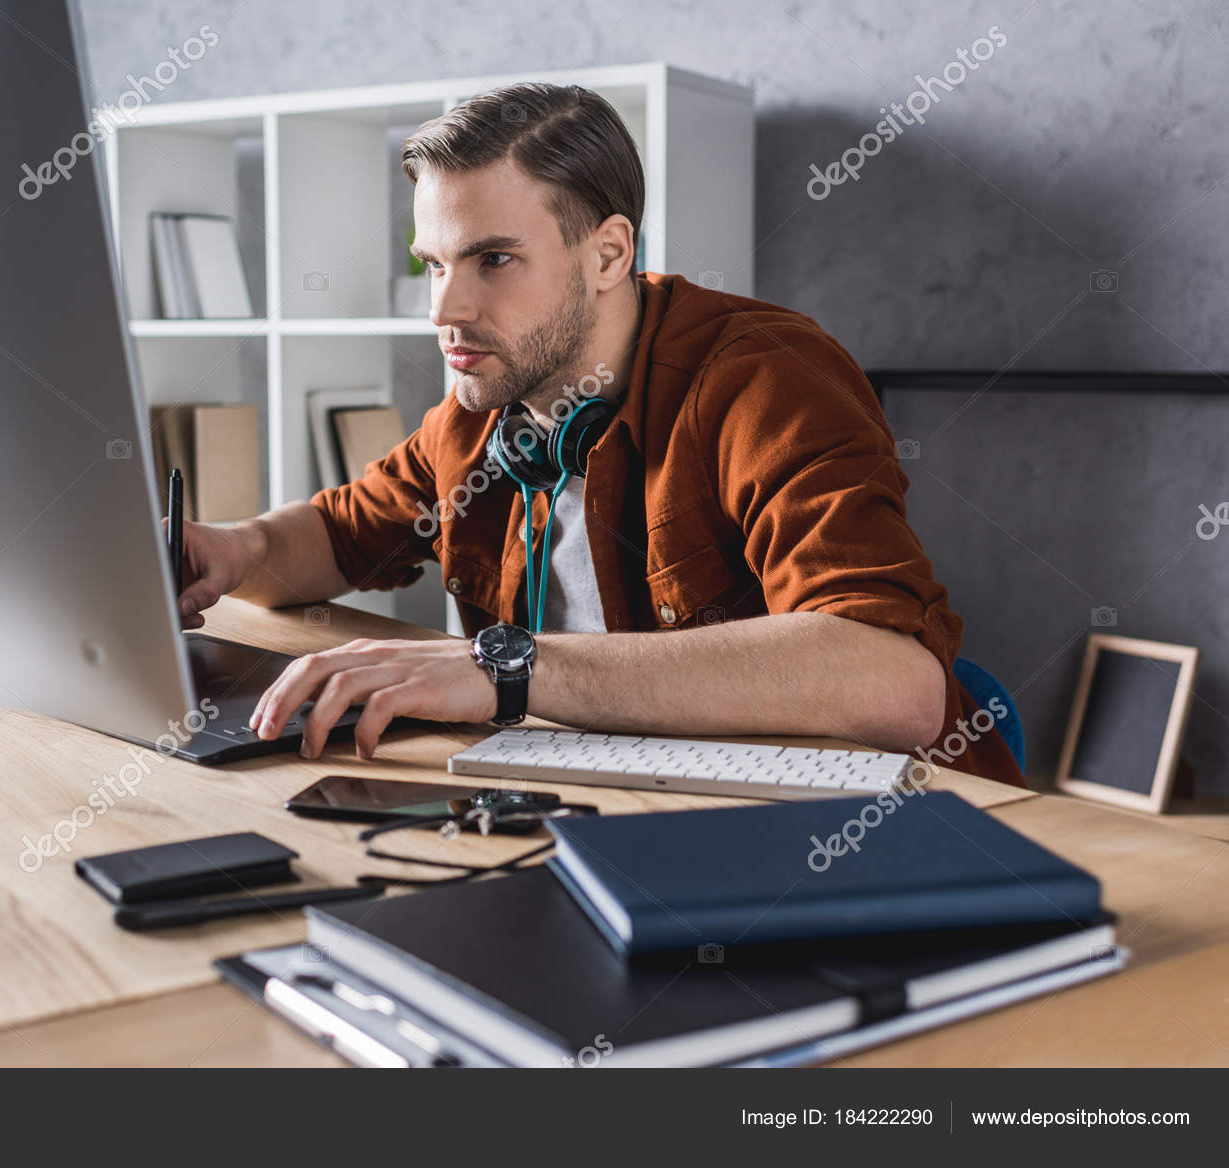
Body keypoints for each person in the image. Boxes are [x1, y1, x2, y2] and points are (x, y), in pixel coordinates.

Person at [170, 81, 1024, 787]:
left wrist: (510, 669)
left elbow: (895, 679)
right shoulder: (486, 398)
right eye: (433, 263)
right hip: (611, 802)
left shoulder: (767, 376)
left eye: (492, 260)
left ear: (609, 254)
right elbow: (339, 534)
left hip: (856, 831)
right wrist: (233, 549)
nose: (445, 311)